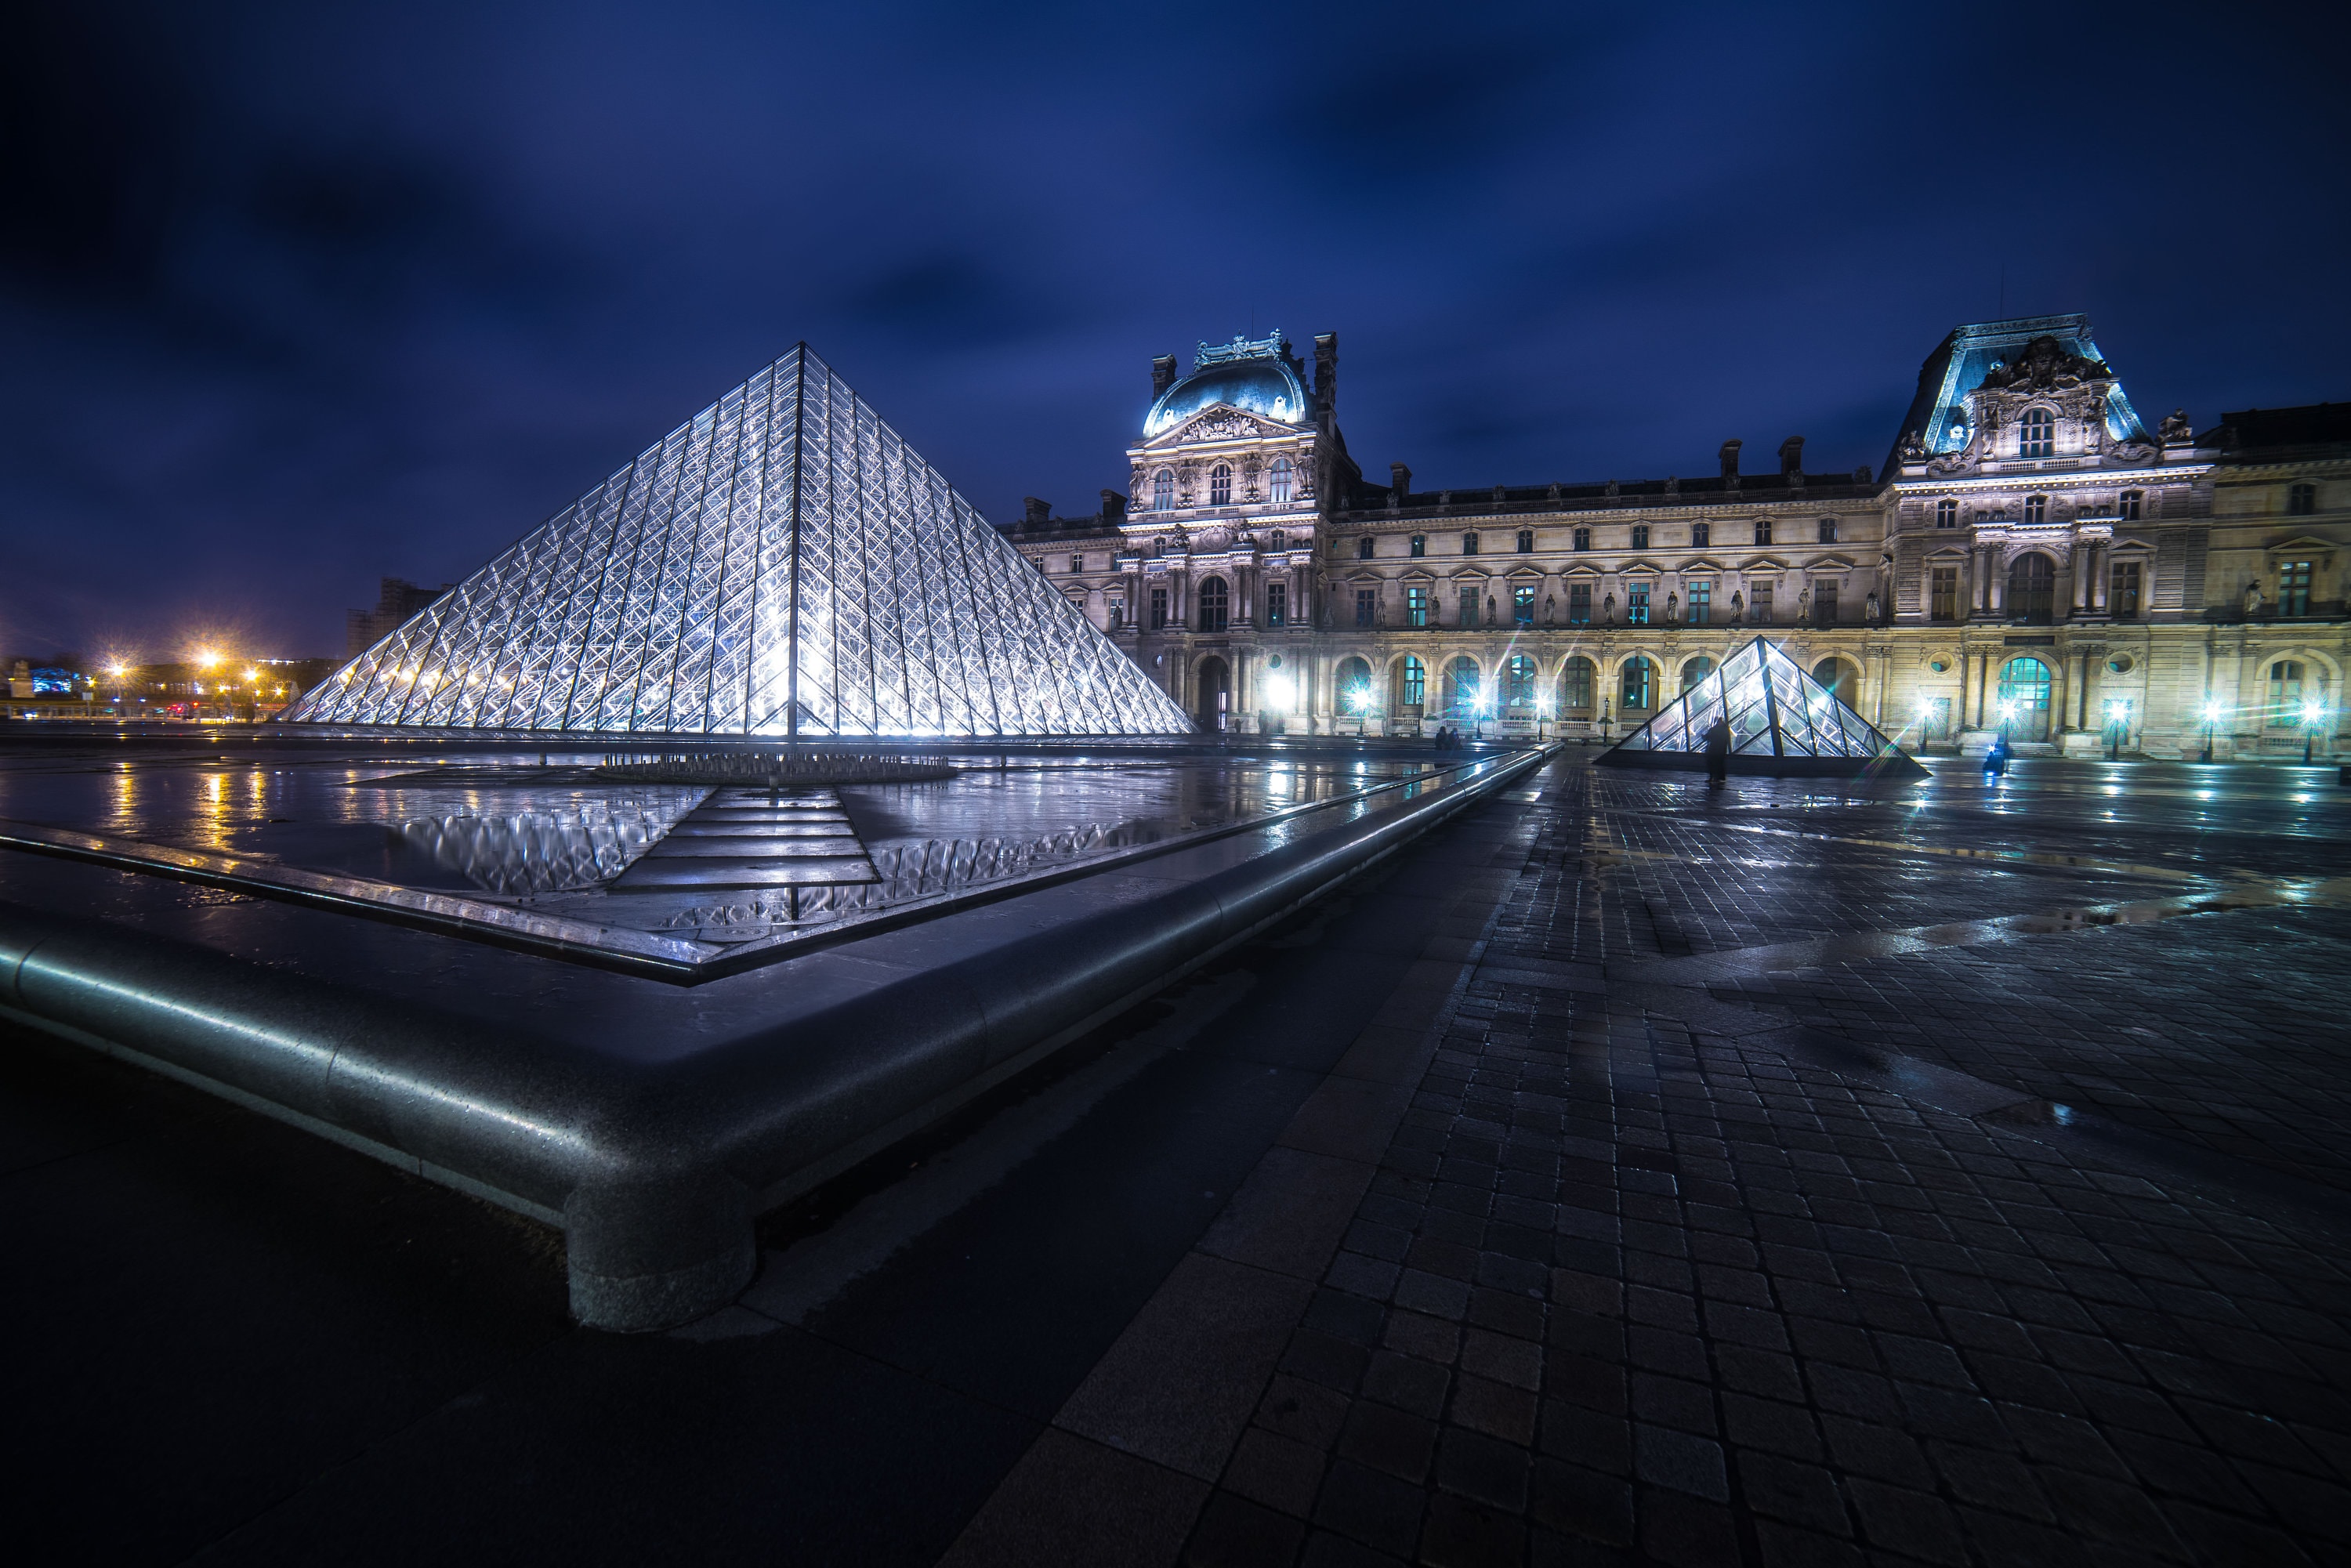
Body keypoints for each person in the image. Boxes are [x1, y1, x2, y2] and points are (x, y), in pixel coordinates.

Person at [1703, 714, 1731, 785]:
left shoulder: (1713, 729)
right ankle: (1720, 778)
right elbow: (1727, 741)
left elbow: (1707, 737)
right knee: (1719, 764)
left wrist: (1703, 736)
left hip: (1713, 749)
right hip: (1721, 750)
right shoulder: (1725, 730)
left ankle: (1712, 777)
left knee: (1712, 764)